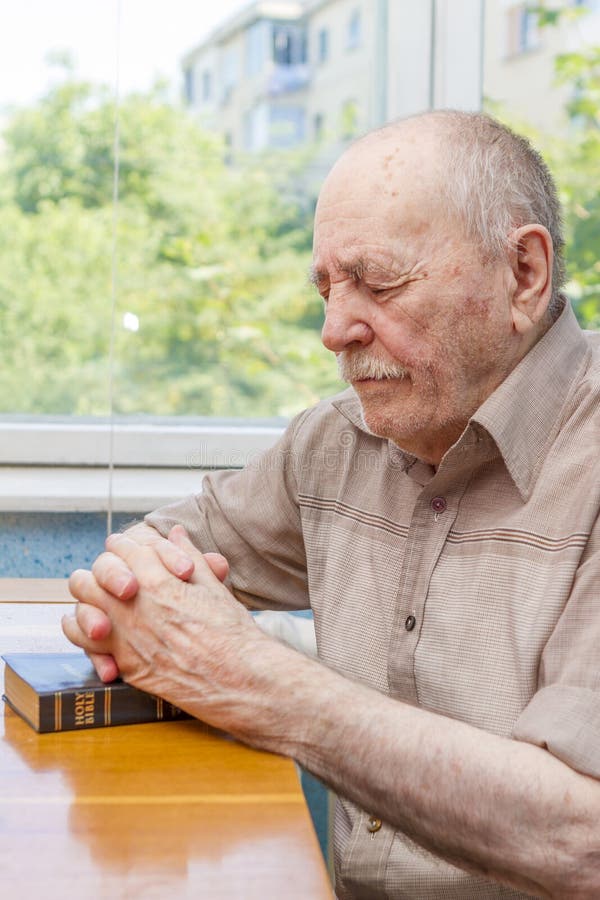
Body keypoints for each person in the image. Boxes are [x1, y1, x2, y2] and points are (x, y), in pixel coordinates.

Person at [62, 110, 600, 899]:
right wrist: (128, 604)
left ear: (523, 273)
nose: (333, 330)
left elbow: (583, 839)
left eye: (378, 283)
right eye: (326, 289)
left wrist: (262, 685)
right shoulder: (334, 443)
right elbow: (147, 560)